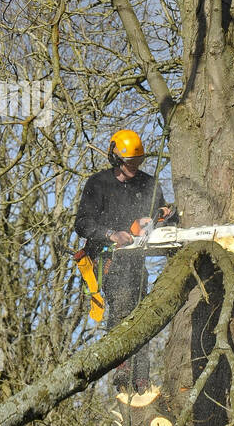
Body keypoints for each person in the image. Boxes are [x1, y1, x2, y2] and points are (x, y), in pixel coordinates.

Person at [74, 129, 176, 392]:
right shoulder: (98, 184)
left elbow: (161, 212)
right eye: (130, 162)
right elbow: (82, 223)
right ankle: (121, 367)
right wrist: (110, 234)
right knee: (122, 303)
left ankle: (142, 375)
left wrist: (160, 217)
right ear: (116, 158)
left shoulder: (148, 184)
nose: (134, 168)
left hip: (136, 258)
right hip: (109, 257)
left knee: (142, 310)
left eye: (137, 162)